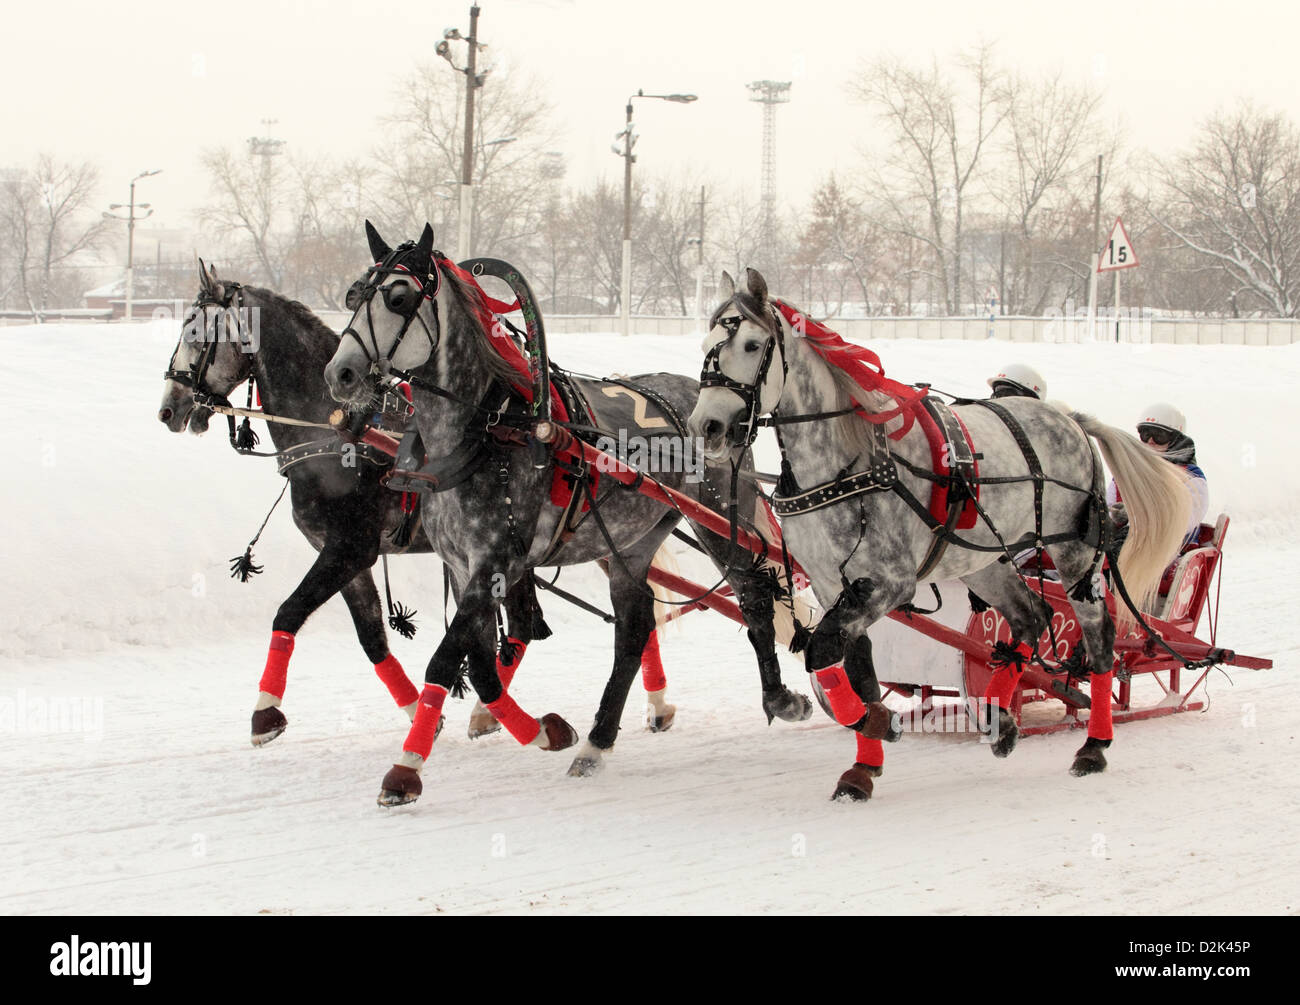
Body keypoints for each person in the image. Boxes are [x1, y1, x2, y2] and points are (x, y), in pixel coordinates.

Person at [1108, 402, 1209, 546]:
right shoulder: (1125, 473)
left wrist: (1138, 521)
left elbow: (1187, 519)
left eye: (1159, 435)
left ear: (1176, 439)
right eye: (1145, 434)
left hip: (1168, 546)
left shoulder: (1190, 476)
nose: (1150, 441)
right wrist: (1116, 517)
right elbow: (1109, 507)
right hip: (1125, 542)